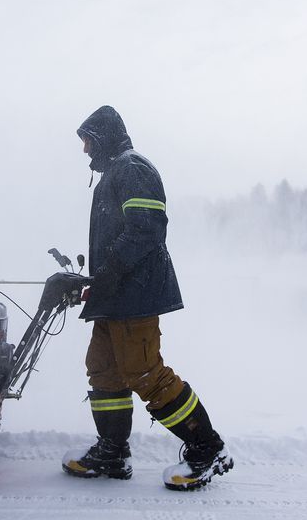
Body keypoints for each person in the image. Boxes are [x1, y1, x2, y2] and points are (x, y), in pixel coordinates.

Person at [61, 105, 233, 490]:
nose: (85, 150)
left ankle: (207, 448)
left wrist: (110, 271)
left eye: (88, 140)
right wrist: (97, 280)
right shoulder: (113, 174)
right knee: (104, 368)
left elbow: (147, 228)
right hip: (114, 295)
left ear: (102, 136)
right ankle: (112, 452)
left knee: (144, 372)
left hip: (134, 294)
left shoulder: (131, 168)